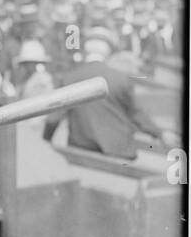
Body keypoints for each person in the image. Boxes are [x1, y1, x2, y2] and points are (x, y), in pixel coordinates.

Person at [43, 27, 176, 159]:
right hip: (120, 152)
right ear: (109, 52)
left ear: (85, 50)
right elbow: (136, 114)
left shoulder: (70, 78)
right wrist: (160, 134)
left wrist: (45, 141)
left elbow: (53, 119)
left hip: (82, 151)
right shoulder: (121, 79)